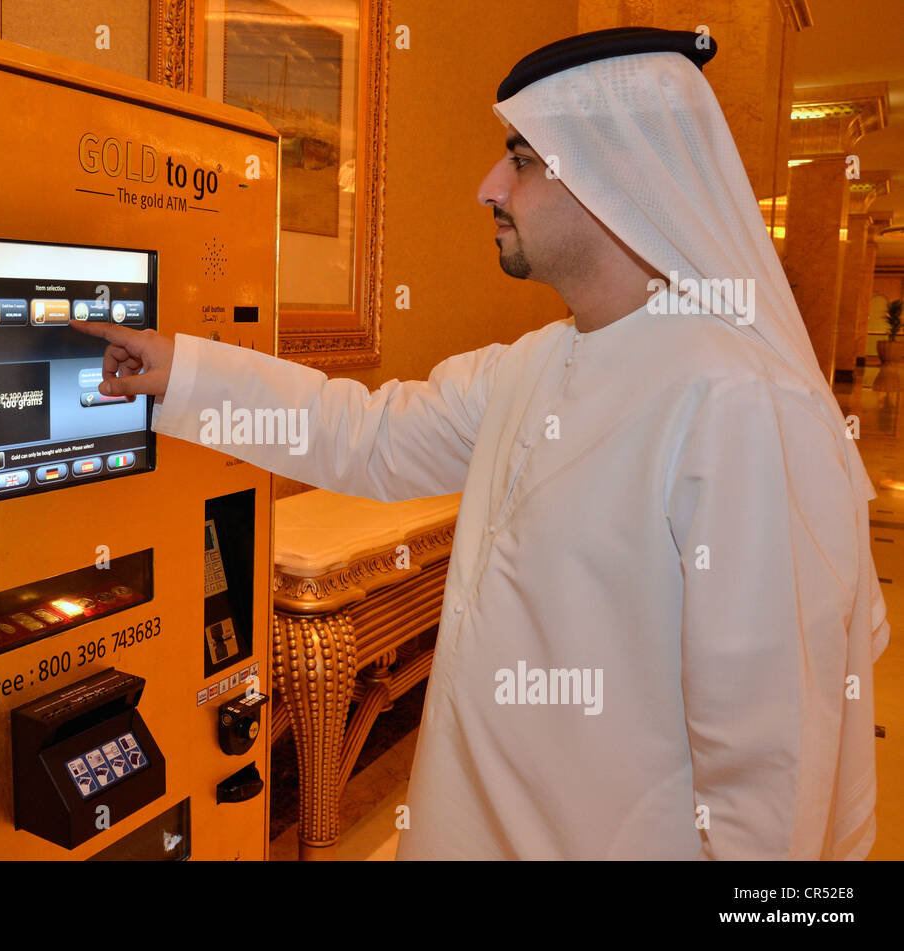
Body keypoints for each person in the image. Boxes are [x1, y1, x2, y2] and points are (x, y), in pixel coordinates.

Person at [71, 27, 889, 859]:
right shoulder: (535, 365)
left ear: (614, 176)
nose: (488, 186)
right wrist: (181, 373)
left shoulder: (744, 405)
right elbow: (366, 434)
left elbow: (770, 780)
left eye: (523, 159)